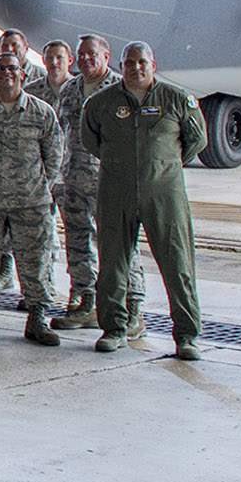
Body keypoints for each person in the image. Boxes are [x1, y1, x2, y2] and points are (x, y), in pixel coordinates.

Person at [79, 42, 204, 357]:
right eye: (130, 63)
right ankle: (113, 329)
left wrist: (161, 167)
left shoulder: (177, 100)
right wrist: (124, 165)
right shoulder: (100, 103)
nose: (136, 68)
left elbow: (195, 140)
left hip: (164, 193)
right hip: (115, 191)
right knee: (112, 266)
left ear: (153, 64)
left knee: (178, 264)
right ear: (121, 66)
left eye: (142, 62)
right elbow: (91, 140)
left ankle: (187, 336)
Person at [0, 53, 64, 345]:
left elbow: (53, 158)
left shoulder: (41, 112)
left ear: (23, 74)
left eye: (12, 69)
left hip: (30, 201)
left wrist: (39, 187)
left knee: (35, 261)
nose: (6, 73)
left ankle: (37, 319)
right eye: (0, 69)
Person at [53, 35, 129, 329]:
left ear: (106, 56)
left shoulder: (119, 90)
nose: (85, 59)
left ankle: (122, 304)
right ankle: (83, 300)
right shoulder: (70, 88)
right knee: (77, 241)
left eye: (91, 54)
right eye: (81, 54)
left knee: (115, 243)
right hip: (74, 180)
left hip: (108, 181)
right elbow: (62, 133)